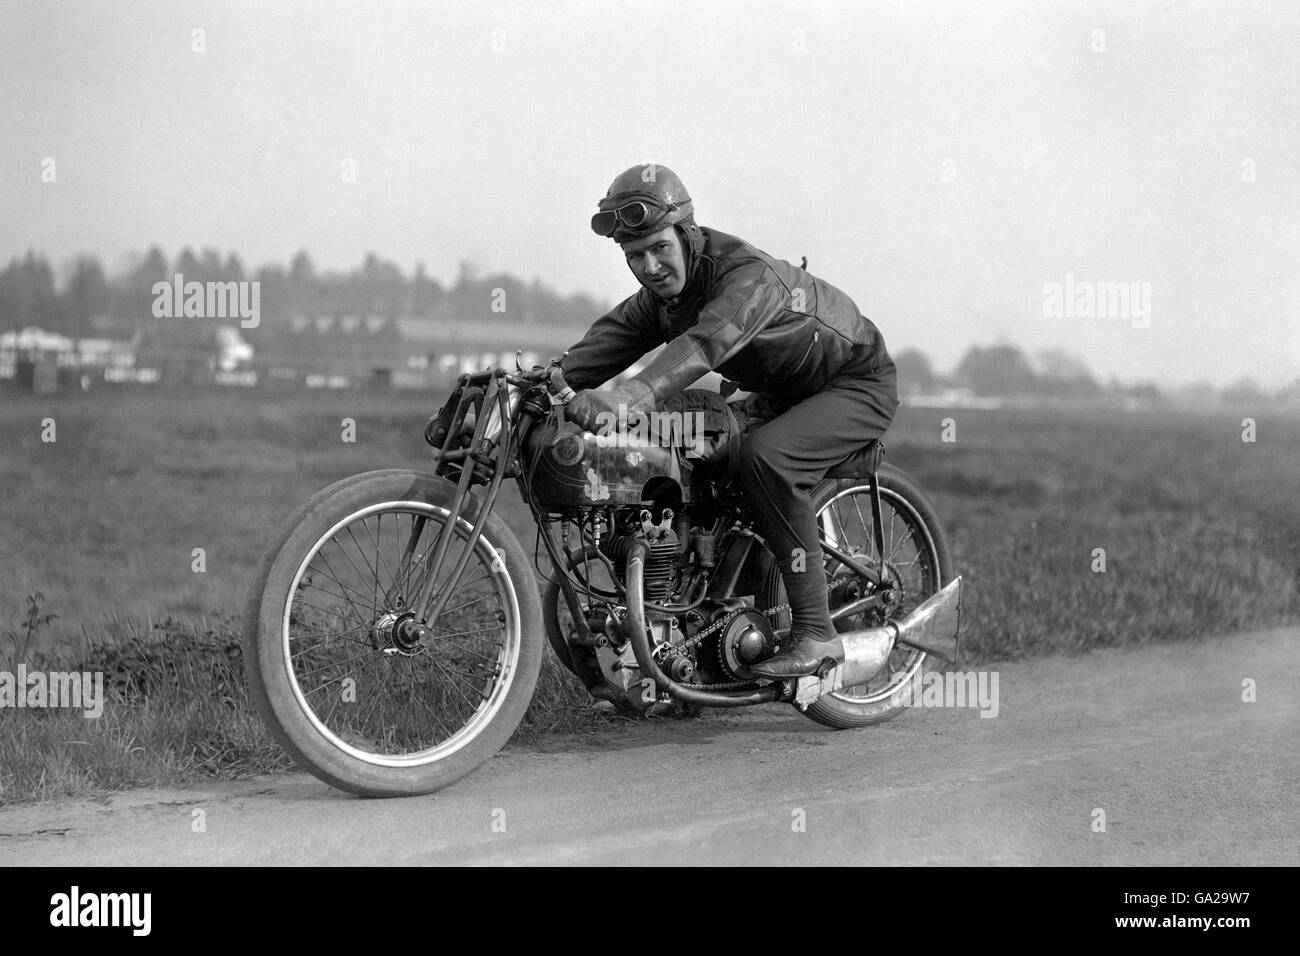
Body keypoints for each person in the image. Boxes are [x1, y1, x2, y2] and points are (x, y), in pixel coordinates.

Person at [561, 164, 898, 678]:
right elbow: (596, 350)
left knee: (767, 459)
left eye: (659, 248)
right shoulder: (662, 300)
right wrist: (530, 387)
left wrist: (631, 394)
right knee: (696, 444)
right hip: (781, 394)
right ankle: (699, 632)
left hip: (853, 384)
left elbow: (705, 342)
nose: (650, 266)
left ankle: (817, 634)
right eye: (635, 256)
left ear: (688, 235)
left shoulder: (748, 278)